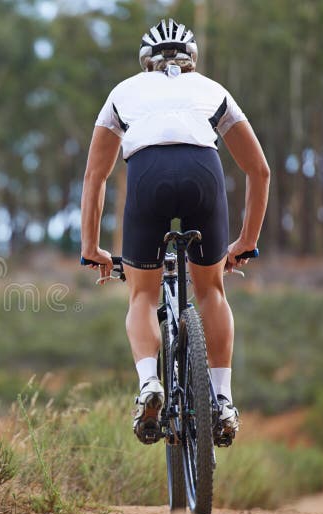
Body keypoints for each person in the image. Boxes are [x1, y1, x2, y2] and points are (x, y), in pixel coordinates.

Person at [79, 18, 270, 444]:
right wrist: (248, 241)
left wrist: (91, 247)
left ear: (145, 60)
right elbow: (260, 171)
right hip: (203, 172)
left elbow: (95, 177)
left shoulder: (123, 92)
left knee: (143, 296)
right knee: (212, 291)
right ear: (191, 60)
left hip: (147, 176)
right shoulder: (212, 89)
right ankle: (223, 401)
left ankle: (150, 383)